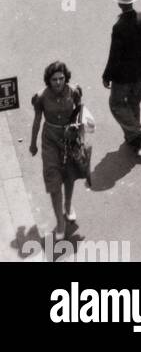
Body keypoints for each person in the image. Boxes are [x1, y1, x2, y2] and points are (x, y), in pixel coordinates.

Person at [29, 62, 87, 240]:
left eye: (61, 78)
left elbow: (80, 114)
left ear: (66, 77)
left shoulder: (75, 91)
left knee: (69, 175)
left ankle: (68, 206)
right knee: (54, 182)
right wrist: (33, 143)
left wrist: (82, 139)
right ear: (48, 80)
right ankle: (60, 222)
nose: (58, 82)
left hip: (70, 139)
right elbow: (37, 121)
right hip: (50, 141)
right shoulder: (40, 97)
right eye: (54, 79)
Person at [102, 0, 141, 152]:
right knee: (133, 104)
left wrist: (106, 75)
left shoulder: (119, 27)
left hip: (123, 77)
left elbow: (114, 55)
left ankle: (137, 131)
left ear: (118, 2)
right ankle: (133, 138)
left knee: (116, 104)